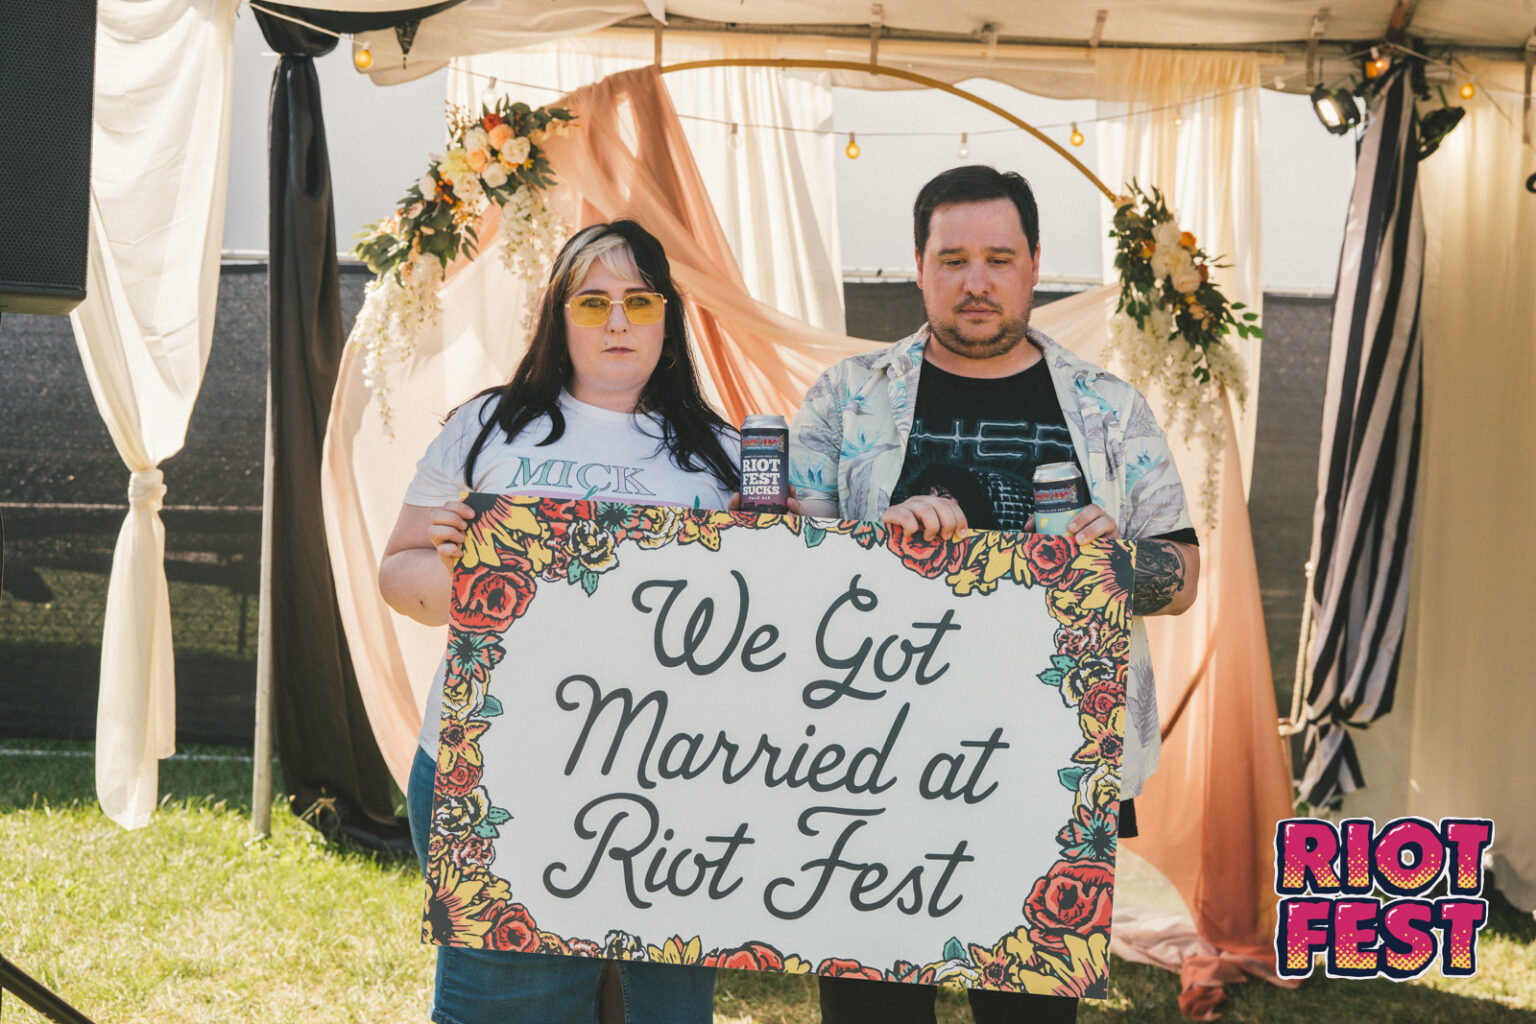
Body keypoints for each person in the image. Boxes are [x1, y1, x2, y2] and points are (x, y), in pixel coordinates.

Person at [789, 165, 1201, 1024]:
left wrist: (1114, 565)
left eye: (999, 258)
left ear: (1036, 263)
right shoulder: (844, 396)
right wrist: (878, 543)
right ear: (918, 266)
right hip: (870, 768)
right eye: (953, 259)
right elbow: (795, 572)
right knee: (872, 1015)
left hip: (1054, 768)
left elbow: (1183, 575)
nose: (976, 281)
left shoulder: (1109, 409)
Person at [379, 220, 736, 1024]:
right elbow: (398, 577)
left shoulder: (725, 457)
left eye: (639, 301)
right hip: (500, 772)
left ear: (668, 318)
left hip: (672, 787)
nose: (617, 322)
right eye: (594, 301)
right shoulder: (489, 427)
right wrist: (460, 570)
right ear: (558, 317)